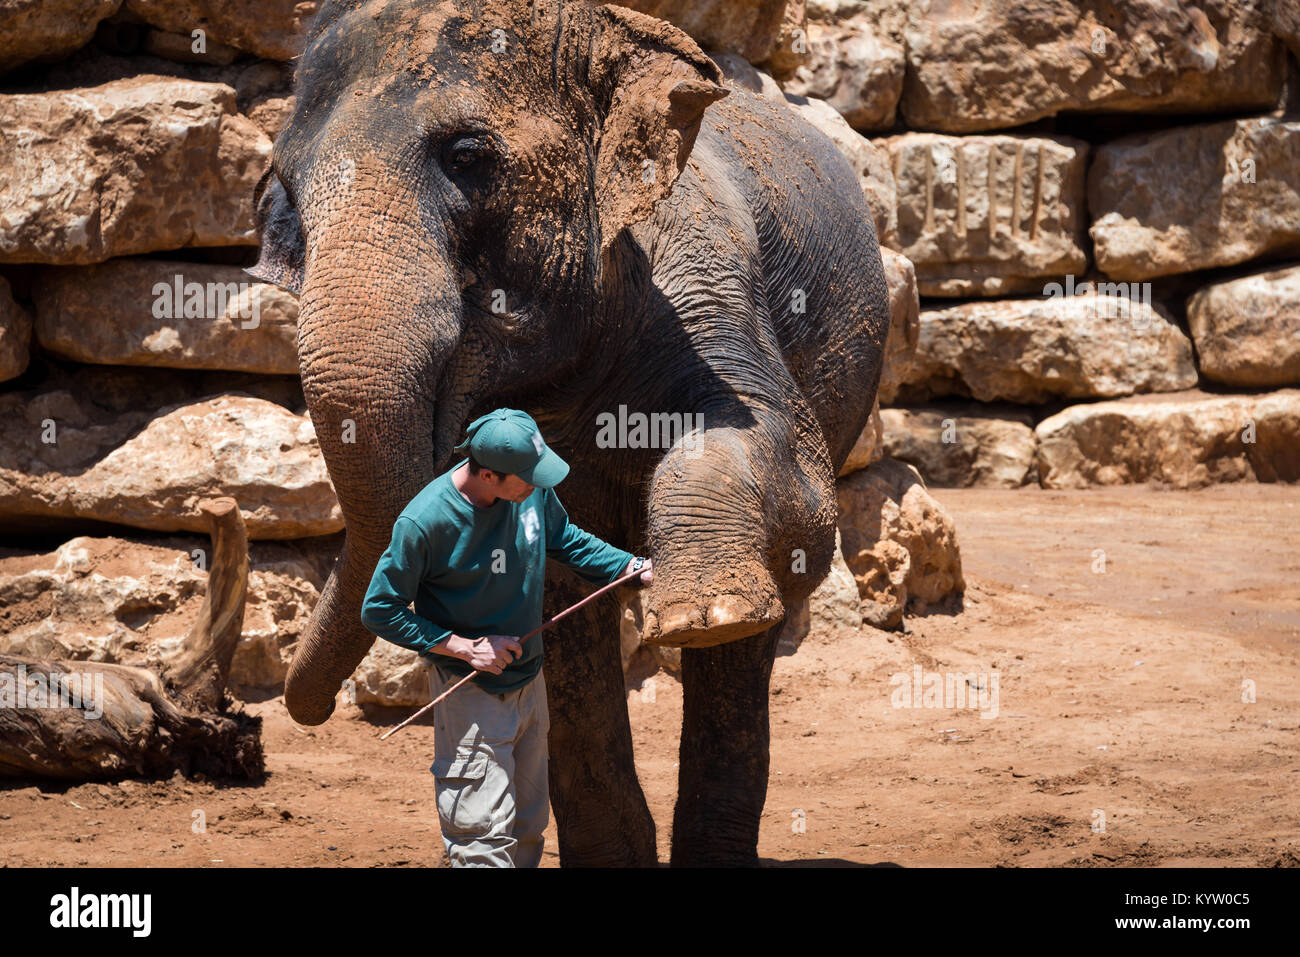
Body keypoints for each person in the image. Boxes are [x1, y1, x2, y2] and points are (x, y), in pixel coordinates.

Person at [360, 407, 652, 867]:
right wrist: (463, 647)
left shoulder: (529, 494)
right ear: (489, 475)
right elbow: (379, 609)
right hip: (471, 690)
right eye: (528, 478)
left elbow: (565, 538)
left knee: (527, 827)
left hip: (528, 680)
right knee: (481, 836)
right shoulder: (424, 523)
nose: (538, 484)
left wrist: (629, 567)